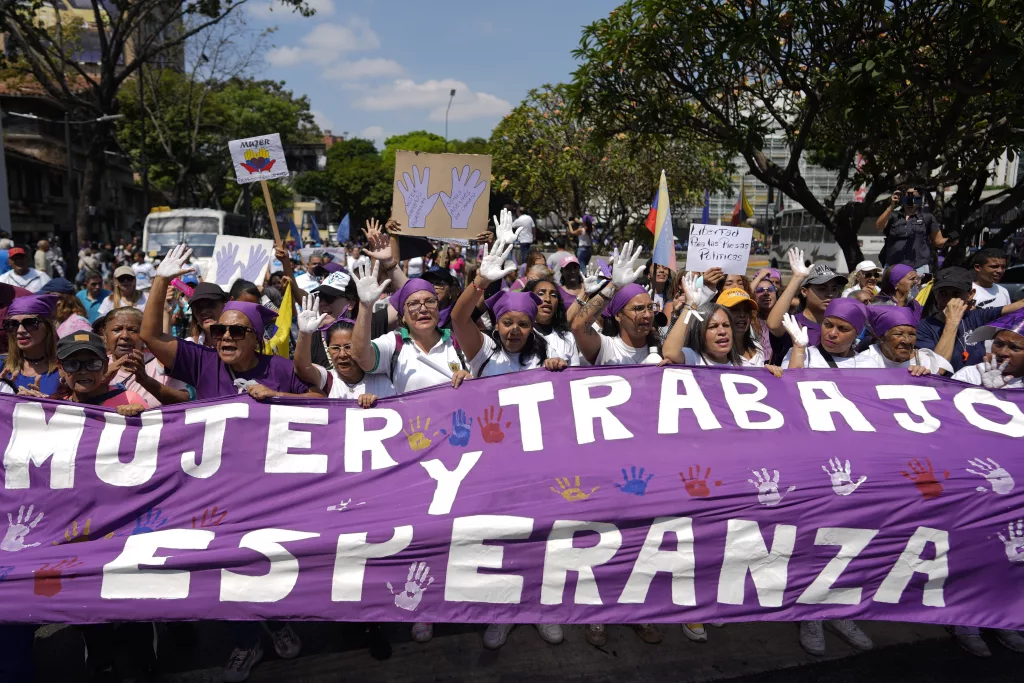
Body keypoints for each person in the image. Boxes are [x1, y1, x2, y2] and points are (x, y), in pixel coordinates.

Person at [141, 246, 314, 681]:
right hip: (216, 491)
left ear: (256, 337)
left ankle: (276, 622)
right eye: (219, 331)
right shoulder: (201, 362)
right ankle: (245, 642)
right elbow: (150, 338)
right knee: (229, 567)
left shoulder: (279, 369)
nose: (226, 339)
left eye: (237, 333)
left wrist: (277, 397)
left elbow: (321, 403)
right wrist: (161, 282)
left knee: (269, 559)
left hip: (273, 488)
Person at [349, 263, 470, 646]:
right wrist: (366, 308)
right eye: (414, 304)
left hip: (460, 454)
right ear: (402, 312)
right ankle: (426, 608)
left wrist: (471, 381)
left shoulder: (460, 343)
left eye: (429, 302)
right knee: (423, 535)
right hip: (414, 457)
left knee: (459, 533)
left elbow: (487, 383)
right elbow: (362, 358)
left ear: (440, 305)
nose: (422, 309)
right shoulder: (393, 344)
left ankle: (462, 596)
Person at [566, 242, 666, 646]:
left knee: (642, 539)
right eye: (636, 308)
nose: (645, 315)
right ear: (619, 315)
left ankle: (637, 610)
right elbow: (577, 327)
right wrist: (609, 289)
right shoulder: (604, 347)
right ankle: (594, 609)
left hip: (646, 464)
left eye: (648, 308)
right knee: (600, 537)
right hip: (601, 462)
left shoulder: (663, 352)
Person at [916, 266, 1024, 373]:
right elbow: (938, 369)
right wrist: (952, 322)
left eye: (957, 294)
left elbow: (1019, 306)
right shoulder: (923, 327)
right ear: (935, 294)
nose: (949, 301)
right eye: (943, 293)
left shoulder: (975, 316)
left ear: (970, 295)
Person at [294, 294, 395, 403]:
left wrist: (377, 403)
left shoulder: (382, 380)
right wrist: (304, 334)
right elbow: (302, 368)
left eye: (348, 347)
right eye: (336, 348)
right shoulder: (328, 380)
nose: (342, 354)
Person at [766, 248, 846, 364]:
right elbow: (773, 325)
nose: (830, 294)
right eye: (822, 288)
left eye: (834, 289)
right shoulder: (793, 323)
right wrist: (797, 278)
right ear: (804, 291)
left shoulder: (839, 326)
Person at [105, 306, 190, 407]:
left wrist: (145, 380)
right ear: (105, 336)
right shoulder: (97, 365)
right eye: (117, 330)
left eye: (133, 330)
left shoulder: (161, 362)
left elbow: (184, 402)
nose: (125, 336)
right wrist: (102, 380)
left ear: (144, 335)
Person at [782, 298, 875, 369]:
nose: (832, 333)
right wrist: (798, 349)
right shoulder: (803, 355)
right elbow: (790, 388)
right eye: (828, 325)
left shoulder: (869, 365)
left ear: (857, 334)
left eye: (842, 328)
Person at [858, 307, 952, 374]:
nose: (907, 341)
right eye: (898, 334)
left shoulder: (926, 362)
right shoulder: (863, 362)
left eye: (912, 334)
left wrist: (927, 381)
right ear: (881, 337)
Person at [876, 186, 946, 272]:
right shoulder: (893, 216)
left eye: (915, 196)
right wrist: (892, 205)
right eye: (908, 196)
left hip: (919, 268)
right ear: (902, 198)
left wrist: (950, 240)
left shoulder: (927, 218)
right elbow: (879, 226)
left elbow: (938, 241)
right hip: (893, 268)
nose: (911, 199)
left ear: (920, 200)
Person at [2, 294, 61, 394]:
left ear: (47, 327)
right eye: (13, 324)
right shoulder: (1, 366)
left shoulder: (65, 369)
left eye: (30, 323)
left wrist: (45, 402)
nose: (20, 330)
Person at [952, 309, 1024, 390]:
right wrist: (983, 391)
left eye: (1014, 347)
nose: (1002, 352)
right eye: (998, 344)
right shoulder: (970, 375)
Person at [525, 278, 580, 365]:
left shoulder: (568, 337)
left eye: (553, 295)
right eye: (541, 293)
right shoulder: (521, 336)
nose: (547, 299)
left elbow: (575, 373)